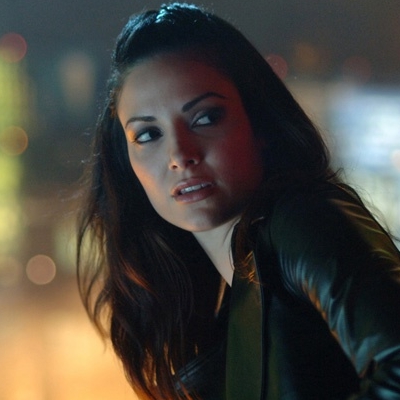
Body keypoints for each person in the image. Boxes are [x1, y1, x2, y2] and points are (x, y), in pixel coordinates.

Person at [76, 3, 400, 399]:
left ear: (259, 123)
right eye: (148, 135)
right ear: (127, 165)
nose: (180, 154)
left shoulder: (302, 221)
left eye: (205, 118)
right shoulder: (222, 305)